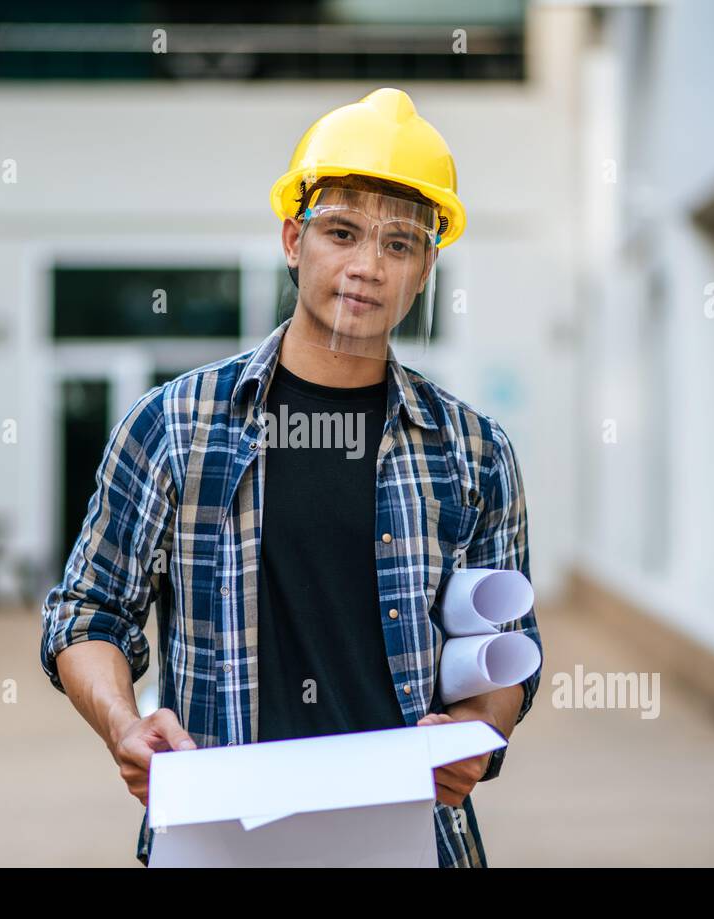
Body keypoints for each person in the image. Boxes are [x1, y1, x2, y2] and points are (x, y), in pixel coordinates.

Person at [40, 88, 543, 867]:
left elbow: (505, 647)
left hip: (413, 840)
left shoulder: (474, 452)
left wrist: (481, 731)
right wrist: (124, 723)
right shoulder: (174, 426)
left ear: (426, 269)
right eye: (342, 232)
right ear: (292, 237)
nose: (368, 266)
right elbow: (85, 614)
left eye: (400, 244)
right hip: (220, 839)